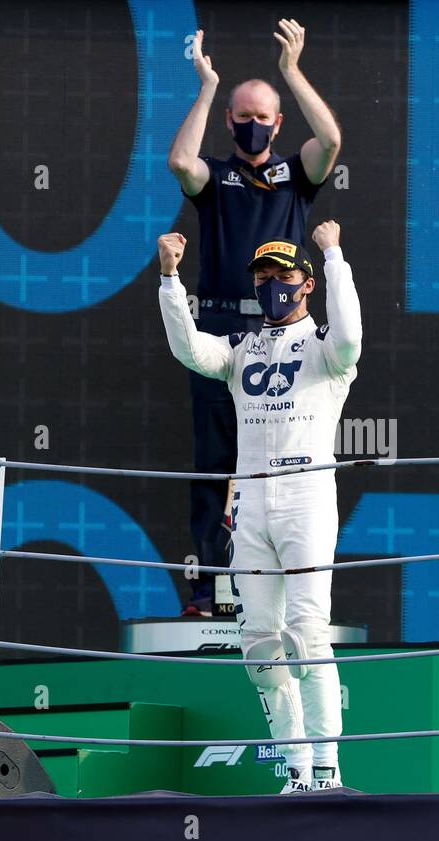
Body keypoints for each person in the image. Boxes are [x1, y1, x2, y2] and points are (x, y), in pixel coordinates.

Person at [157, 220, 359, 793]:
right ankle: (296, 771)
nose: (273, 283)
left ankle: (328, 769)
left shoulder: (326, 350)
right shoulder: (242, 348)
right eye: (264, 275)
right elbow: (190, 350)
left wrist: (334, 253)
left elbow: (351, 334)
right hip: (249, 504)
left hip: (306, 499)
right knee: (258, 648)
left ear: (307, 284)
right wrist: (170, 280)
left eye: (284, 274)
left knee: (308, 633)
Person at [167, 20, 341, 616]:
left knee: (280, 461)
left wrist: (291, 72)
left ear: (278, 122)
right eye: (243, 115)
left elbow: (333, 142)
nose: (253, 124)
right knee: (215, 461)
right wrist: (208, 86)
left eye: (263, 115)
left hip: (280, 333)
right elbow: (180, 160)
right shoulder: (215, 177)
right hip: (220, 329)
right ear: (230, 120)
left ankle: (273, 590)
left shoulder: (294, 174)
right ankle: (209, 588)